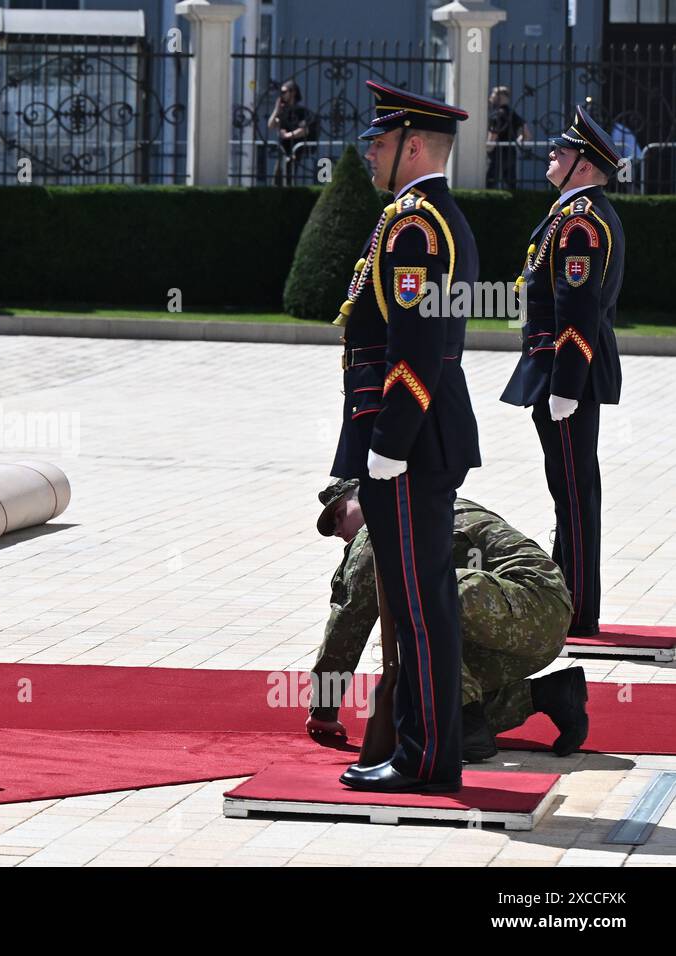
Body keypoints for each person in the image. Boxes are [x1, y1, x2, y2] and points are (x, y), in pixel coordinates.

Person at [330, 80, 481, 794]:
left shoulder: (415, 226)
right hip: (416, 438)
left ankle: (422, 759)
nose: (368, 153)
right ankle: (424, 750)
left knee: (419, 606)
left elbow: (417, 345)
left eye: (380, 142)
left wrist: (387, 442)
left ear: (413, 146)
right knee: (423, 600)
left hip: (410, 444)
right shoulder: (426, 218)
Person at [308, 479, 589, 762]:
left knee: (414, 603)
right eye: (332, 527)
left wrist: (323, 709)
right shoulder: (432, 500)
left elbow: (347, 626)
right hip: (536, 622)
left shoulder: (379, 527)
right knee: (413, 706)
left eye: (341, 514)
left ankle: (466, 728)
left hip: (529, 607)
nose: (338, 531)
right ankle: (549, 695)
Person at [500, 105, 625, 640]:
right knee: (568, 488)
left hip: (566, 375)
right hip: (557, 373)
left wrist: (565, 386)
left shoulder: (580, 223)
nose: (553, 154)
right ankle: (569, 599)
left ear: (588, 165)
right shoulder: (572, 214)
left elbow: (580, 309)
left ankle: (576, 608)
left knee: (574, 491)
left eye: (564, 150)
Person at [267, 80, 312, 186]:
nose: (282, 95)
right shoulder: (282, 110)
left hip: (295, 149)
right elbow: (271, 125)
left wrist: (288, 135)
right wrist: (276, 110)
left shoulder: (301, 111)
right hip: (282, 149)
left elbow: (304, 130)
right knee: (277, 180)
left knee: (289, 177)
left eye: (284, 92)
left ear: (293, 93)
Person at [485, 85, 527, 190]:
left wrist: (487, 149)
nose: (491, 97)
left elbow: (492, 137)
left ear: (500, 96)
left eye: (493, 94)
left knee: (491, 182)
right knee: (510, 184)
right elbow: (527, 134)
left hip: (496, 154)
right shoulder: (513, 114)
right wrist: (517, 141)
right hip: (510, 152)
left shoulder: (497, 115)